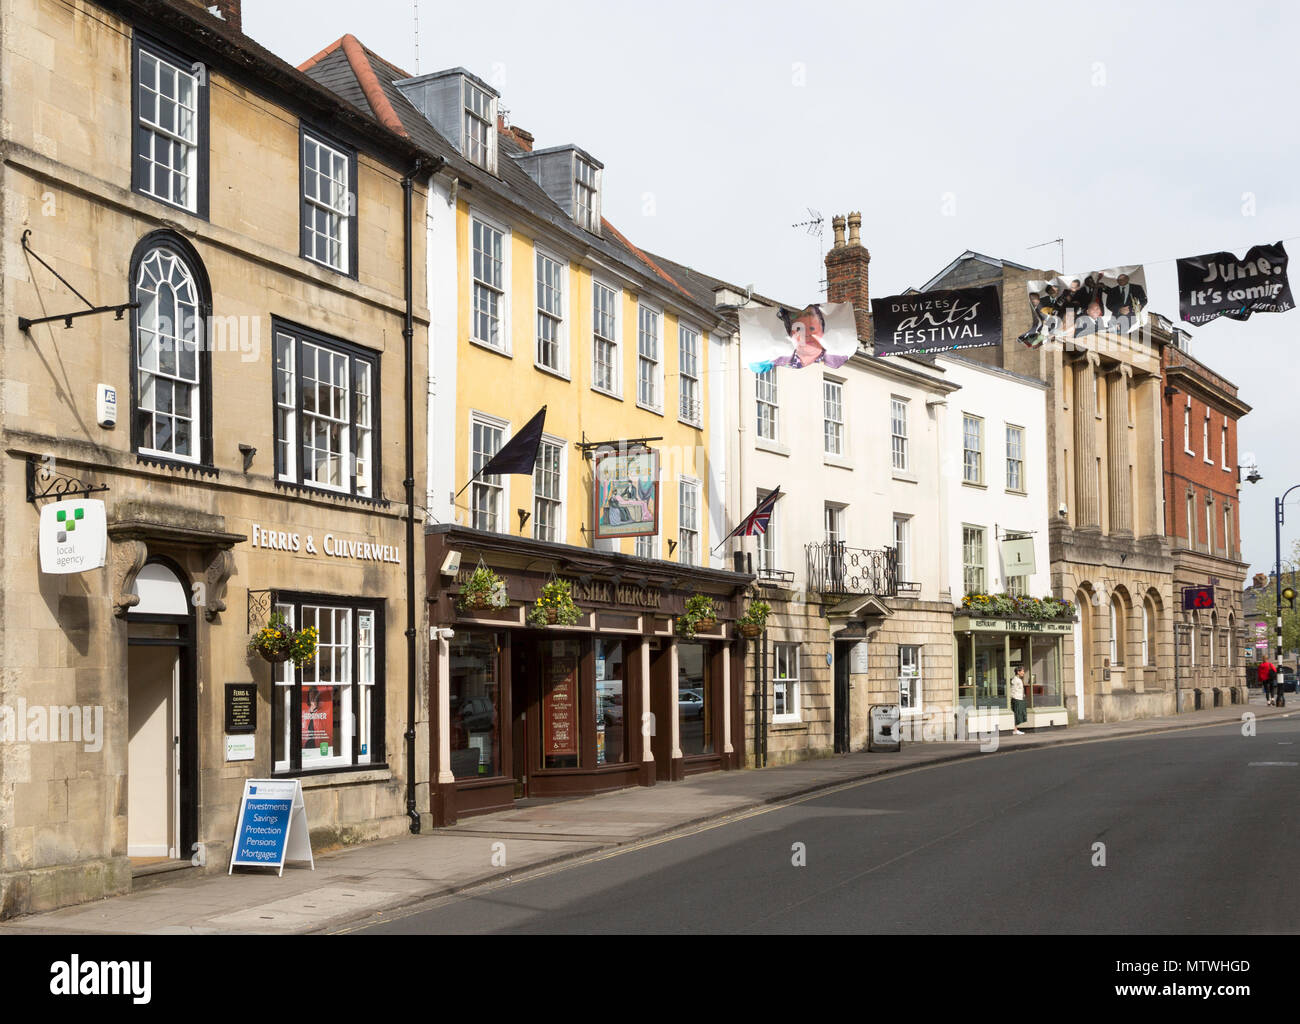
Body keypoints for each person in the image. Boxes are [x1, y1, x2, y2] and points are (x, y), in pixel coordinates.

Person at [1009, 665, 1028, 735]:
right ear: (1018, 672)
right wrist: (1013, 698)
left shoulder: (1018, 679)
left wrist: (1023, 695)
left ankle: (1015, 729)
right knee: (1016, 714)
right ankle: (1015, 730)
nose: (1023, 672)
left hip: (1019, 698)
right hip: (1016, 699)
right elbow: (1012, 690)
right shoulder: (1015, 680)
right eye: (1022, 671)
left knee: (1018, 714)